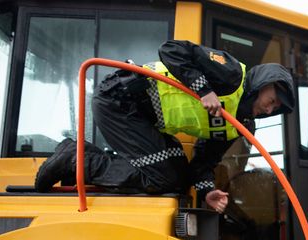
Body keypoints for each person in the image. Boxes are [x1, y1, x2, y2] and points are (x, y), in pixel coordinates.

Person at [35, 39, 294, 214]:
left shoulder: (236, 125)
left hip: (143, 119)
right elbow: (171, 50)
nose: (269, 110)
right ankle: (75, 159)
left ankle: (82, 157)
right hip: (121, 101)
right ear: (261, 85)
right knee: (163, 178)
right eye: (270, 101)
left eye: (275, 110)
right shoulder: (232, 74)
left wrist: (207, 192)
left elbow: (203, 161)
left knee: (178, 178)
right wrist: (203, 90)